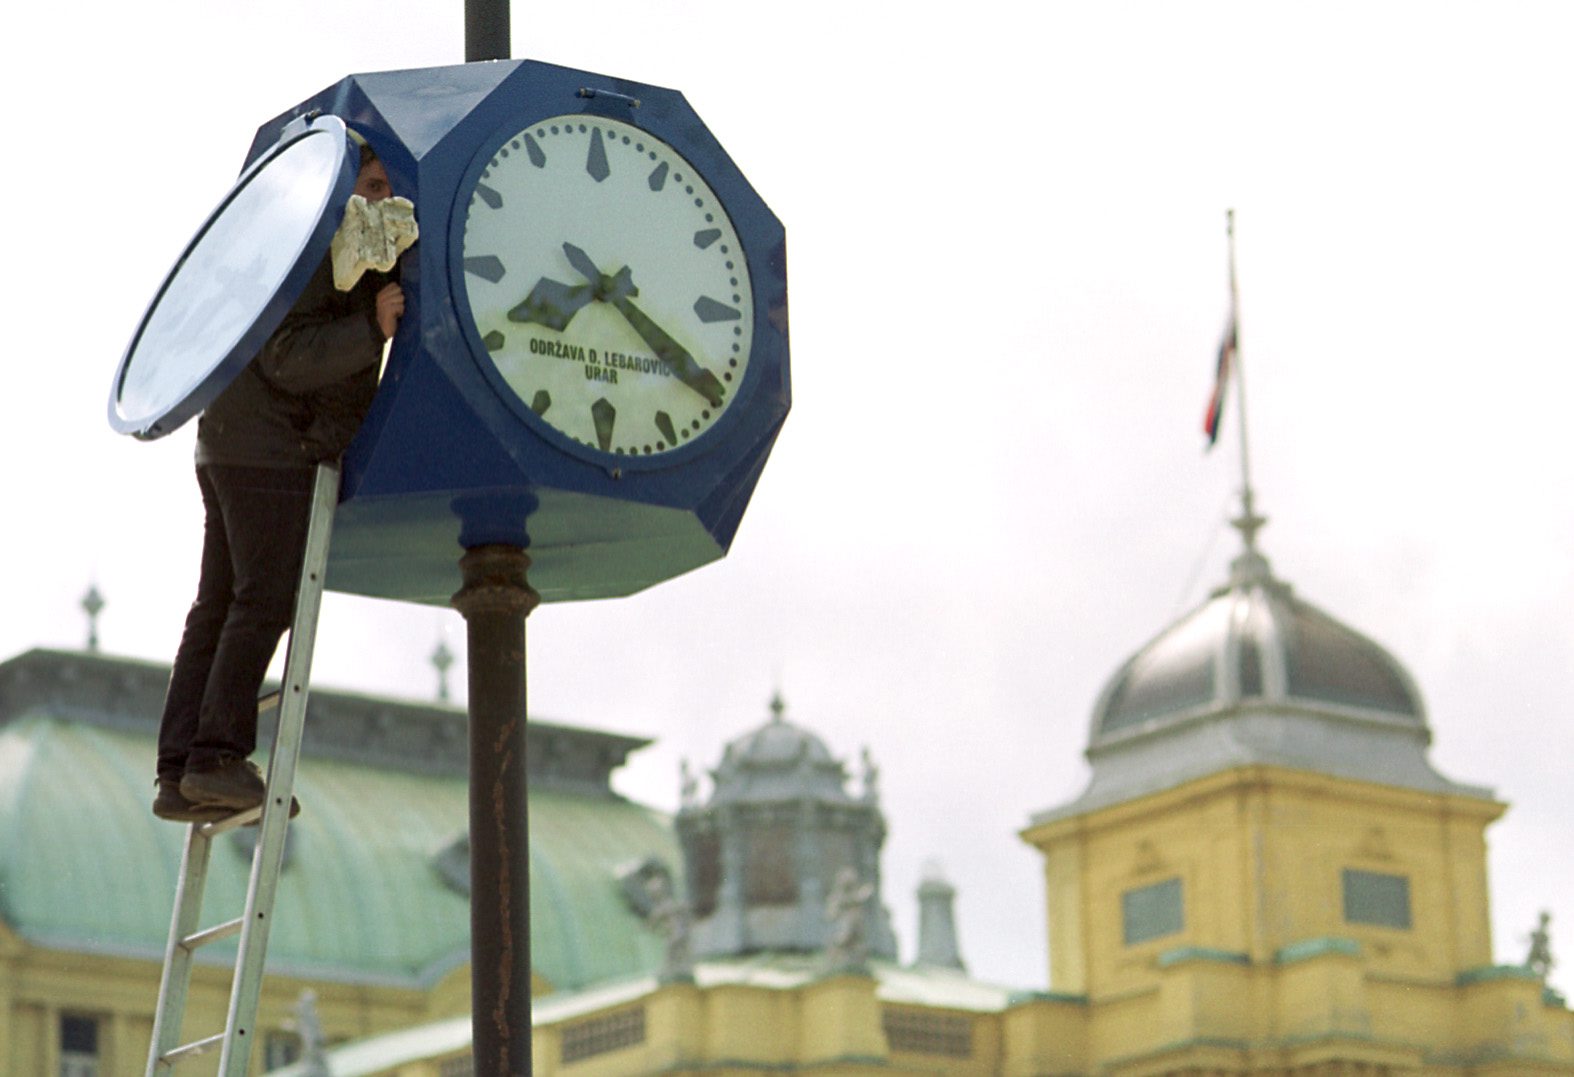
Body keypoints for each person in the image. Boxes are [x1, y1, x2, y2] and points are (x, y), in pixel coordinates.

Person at [152, 142, 406, 822]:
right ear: (344, 188)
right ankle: (215, 758)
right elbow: (289, 356)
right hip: (270, 448)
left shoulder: (296, 241)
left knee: (218, 604)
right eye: (374, 184)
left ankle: (179, 770)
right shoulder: (324, 251)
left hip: (230, 439)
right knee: (261, 600)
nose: (383, 199)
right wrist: (370, 329)